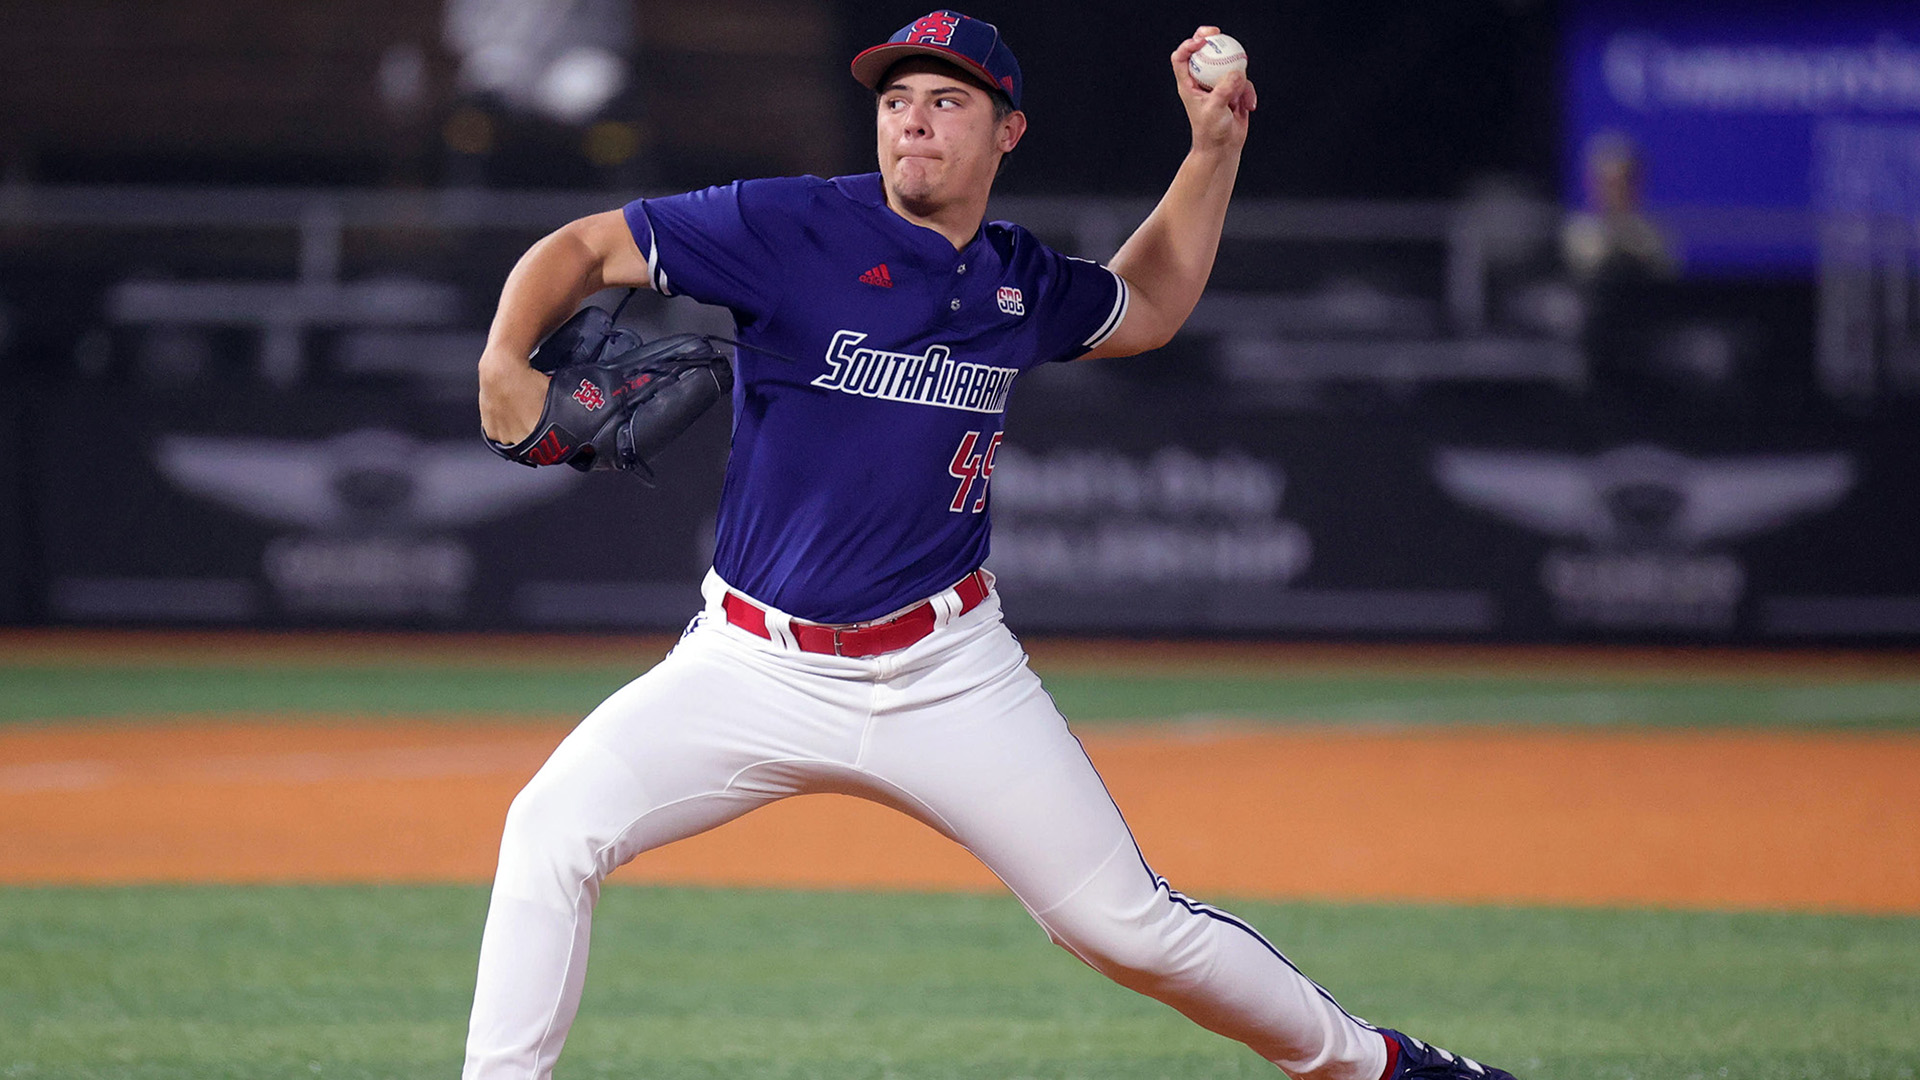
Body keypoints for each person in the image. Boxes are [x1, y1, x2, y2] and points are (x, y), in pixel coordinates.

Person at [470, 12, 1519, 1080]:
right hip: (751, 664)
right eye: (896, 101)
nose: (913, 123)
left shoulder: (1017, 280)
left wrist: (1214, 150)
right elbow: (585, 248)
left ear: (1006, 131)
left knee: (1126, 931)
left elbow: (1149, 303)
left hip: (948, 670)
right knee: (550, 830)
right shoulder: (790, 225)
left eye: (946, 102)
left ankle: (1383, 1067)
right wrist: (506, 357)